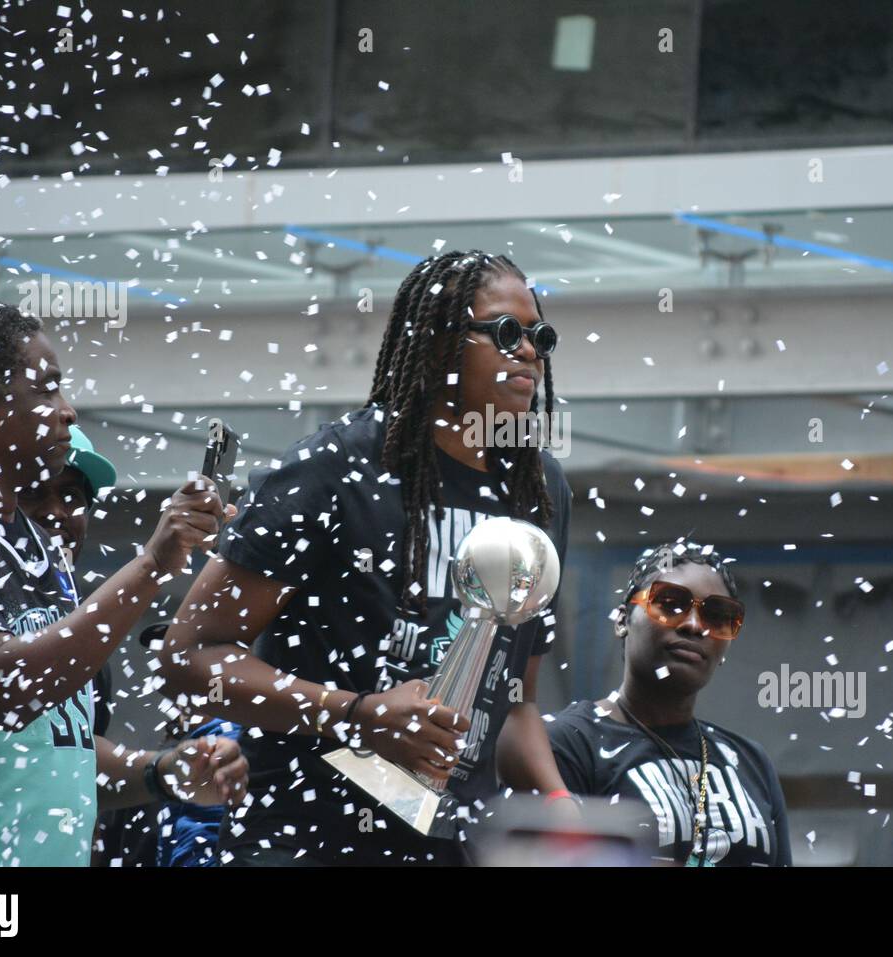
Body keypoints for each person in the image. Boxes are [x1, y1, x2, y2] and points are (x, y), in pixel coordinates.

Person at [159, 250, 575, 865]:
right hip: (307, 838)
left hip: (453, 847)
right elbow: (188, 659)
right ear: (435, 343)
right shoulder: (330, 471)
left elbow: (514, 699)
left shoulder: (537, 489)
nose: (530, 352)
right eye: (506, 332)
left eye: (540, 336)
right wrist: (357, 716)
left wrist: (559, 802)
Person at [0, 300, 238, 866]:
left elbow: (54, 748)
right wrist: (153, 564)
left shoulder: (33, 543)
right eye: (46, 390)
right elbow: (5, 692)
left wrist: (164, 772)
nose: (68, 411)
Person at [18, 423, 247, 867]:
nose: (55, 513)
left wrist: (164, 772)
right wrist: (155, 562)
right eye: (32, 494)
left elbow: (69, 763)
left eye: (72, 497)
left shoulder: (74, 627)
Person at [546, 539, 793, 867]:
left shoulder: (750, 761)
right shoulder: (568, 743)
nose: (694, 625)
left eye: (718, 616)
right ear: (622, 620)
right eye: (671, 603)